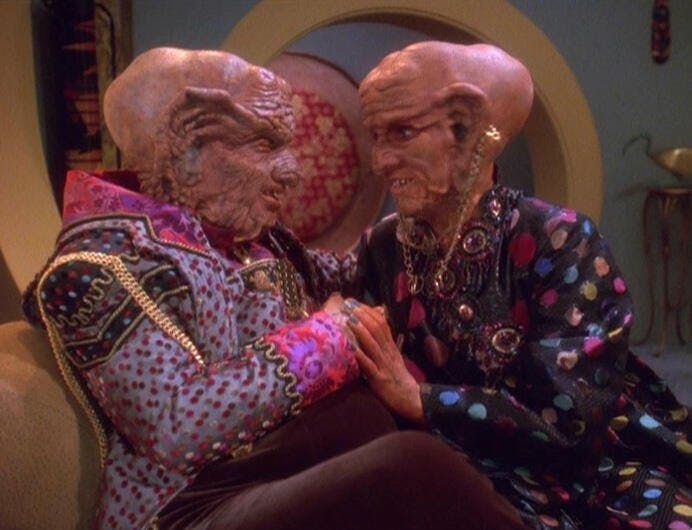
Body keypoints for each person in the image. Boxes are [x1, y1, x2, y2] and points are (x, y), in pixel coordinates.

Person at [22, 47, 525, 530]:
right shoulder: (93, 271)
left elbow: (358, 274)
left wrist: (438, 206)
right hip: (190, 505)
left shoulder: (251, 236)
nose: (292, 171)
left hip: (279, 471)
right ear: (190, 145)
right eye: (266, 146)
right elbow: (177, 426)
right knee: (412, 466)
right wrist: (327, 337)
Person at [348, 41, 692, 530]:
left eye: (402, 132)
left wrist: (422, 400)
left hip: (590, 469)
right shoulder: (383, 245)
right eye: (375, 136)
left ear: (470, 132)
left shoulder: (559, 238)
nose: (380, 161)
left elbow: (570, 418)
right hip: (440, 460)